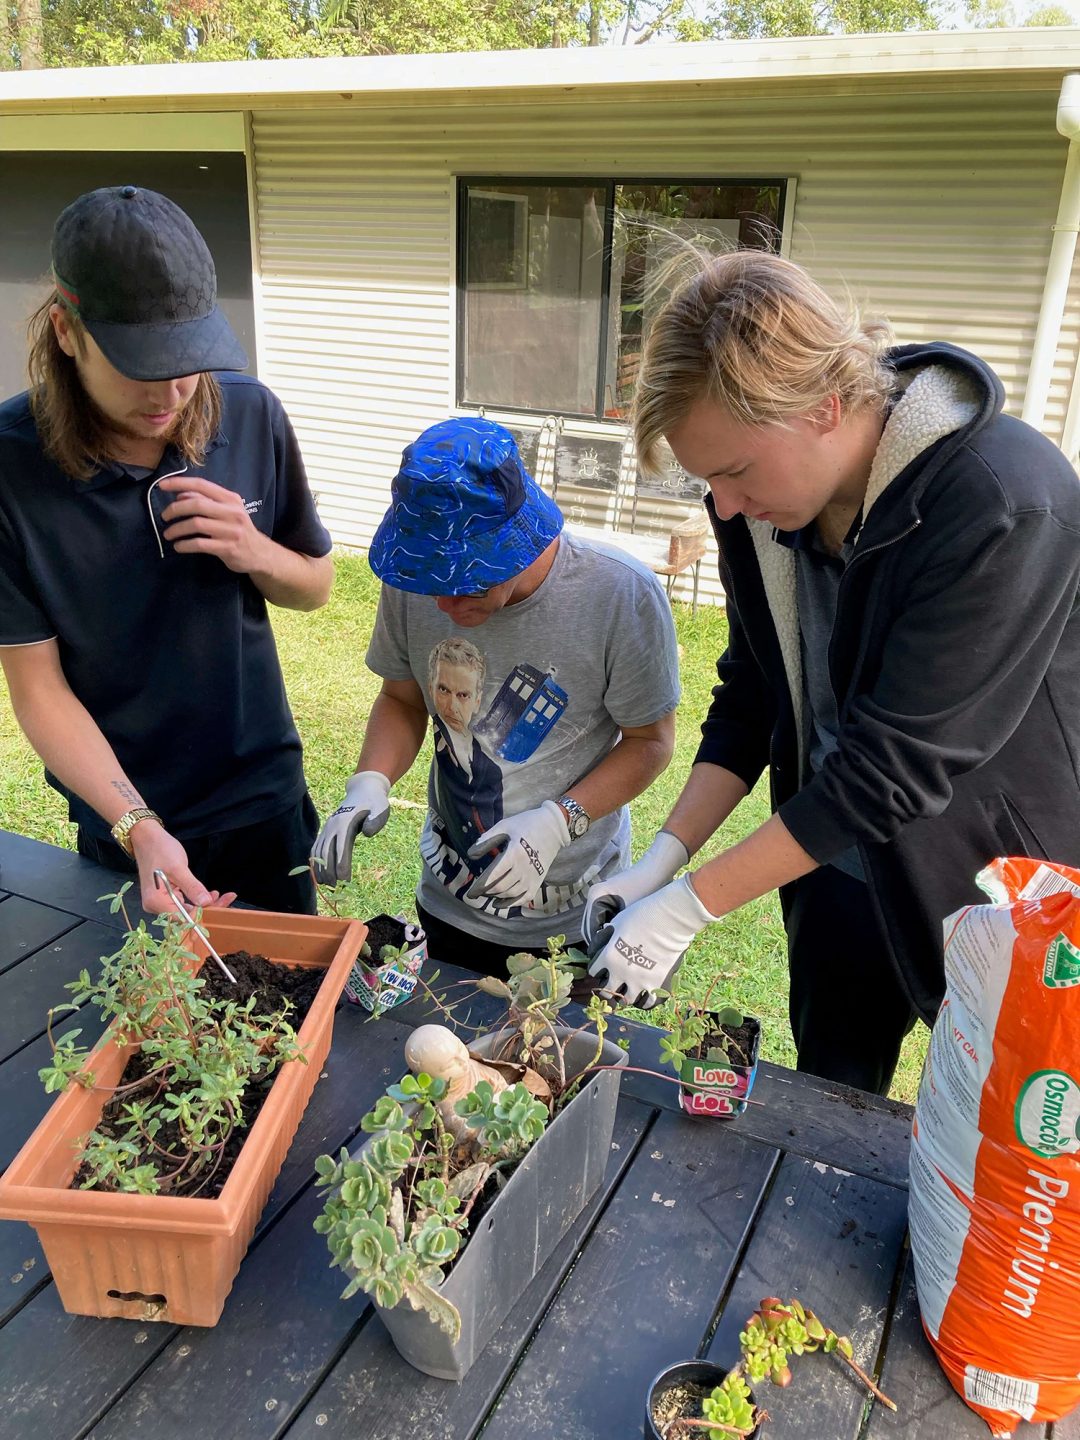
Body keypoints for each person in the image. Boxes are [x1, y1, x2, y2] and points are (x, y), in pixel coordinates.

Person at [584, 248, 1080, 1096]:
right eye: (711, 482)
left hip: (1003, 880)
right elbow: (752, 695)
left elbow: (895, 769)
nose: (727, 508)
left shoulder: (1001, 502)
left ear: (826, 405)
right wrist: (662, 860)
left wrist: (695, 904)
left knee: (1008, 1113)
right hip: (826, 853)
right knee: (834, 1093)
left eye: (734, 471)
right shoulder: (761, 508)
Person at [0, 185, 333, 915]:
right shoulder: (10, 467)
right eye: (142, 363)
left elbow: (315, 585)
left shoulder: (250, 413)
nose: (173, 391)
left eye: (188, 356)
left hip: (259, 793)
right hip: (122, 809)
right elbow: (37, 686)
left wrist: (254, 550)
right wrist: (137, 825)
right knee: (152, 1018)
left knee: (287, 1009)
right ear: (65, 329)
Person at [310, 415, 681, 974]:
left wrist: (559, 820)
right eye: (429, 584)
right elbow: (403, 700)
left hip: (569, 913)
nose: (442, 606)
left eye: (463, 583)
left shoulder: (619, 596)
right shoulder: (416, 580)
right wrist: (370, 780)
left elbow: (651, 742)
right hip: (449, 898)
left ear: (516, 541)